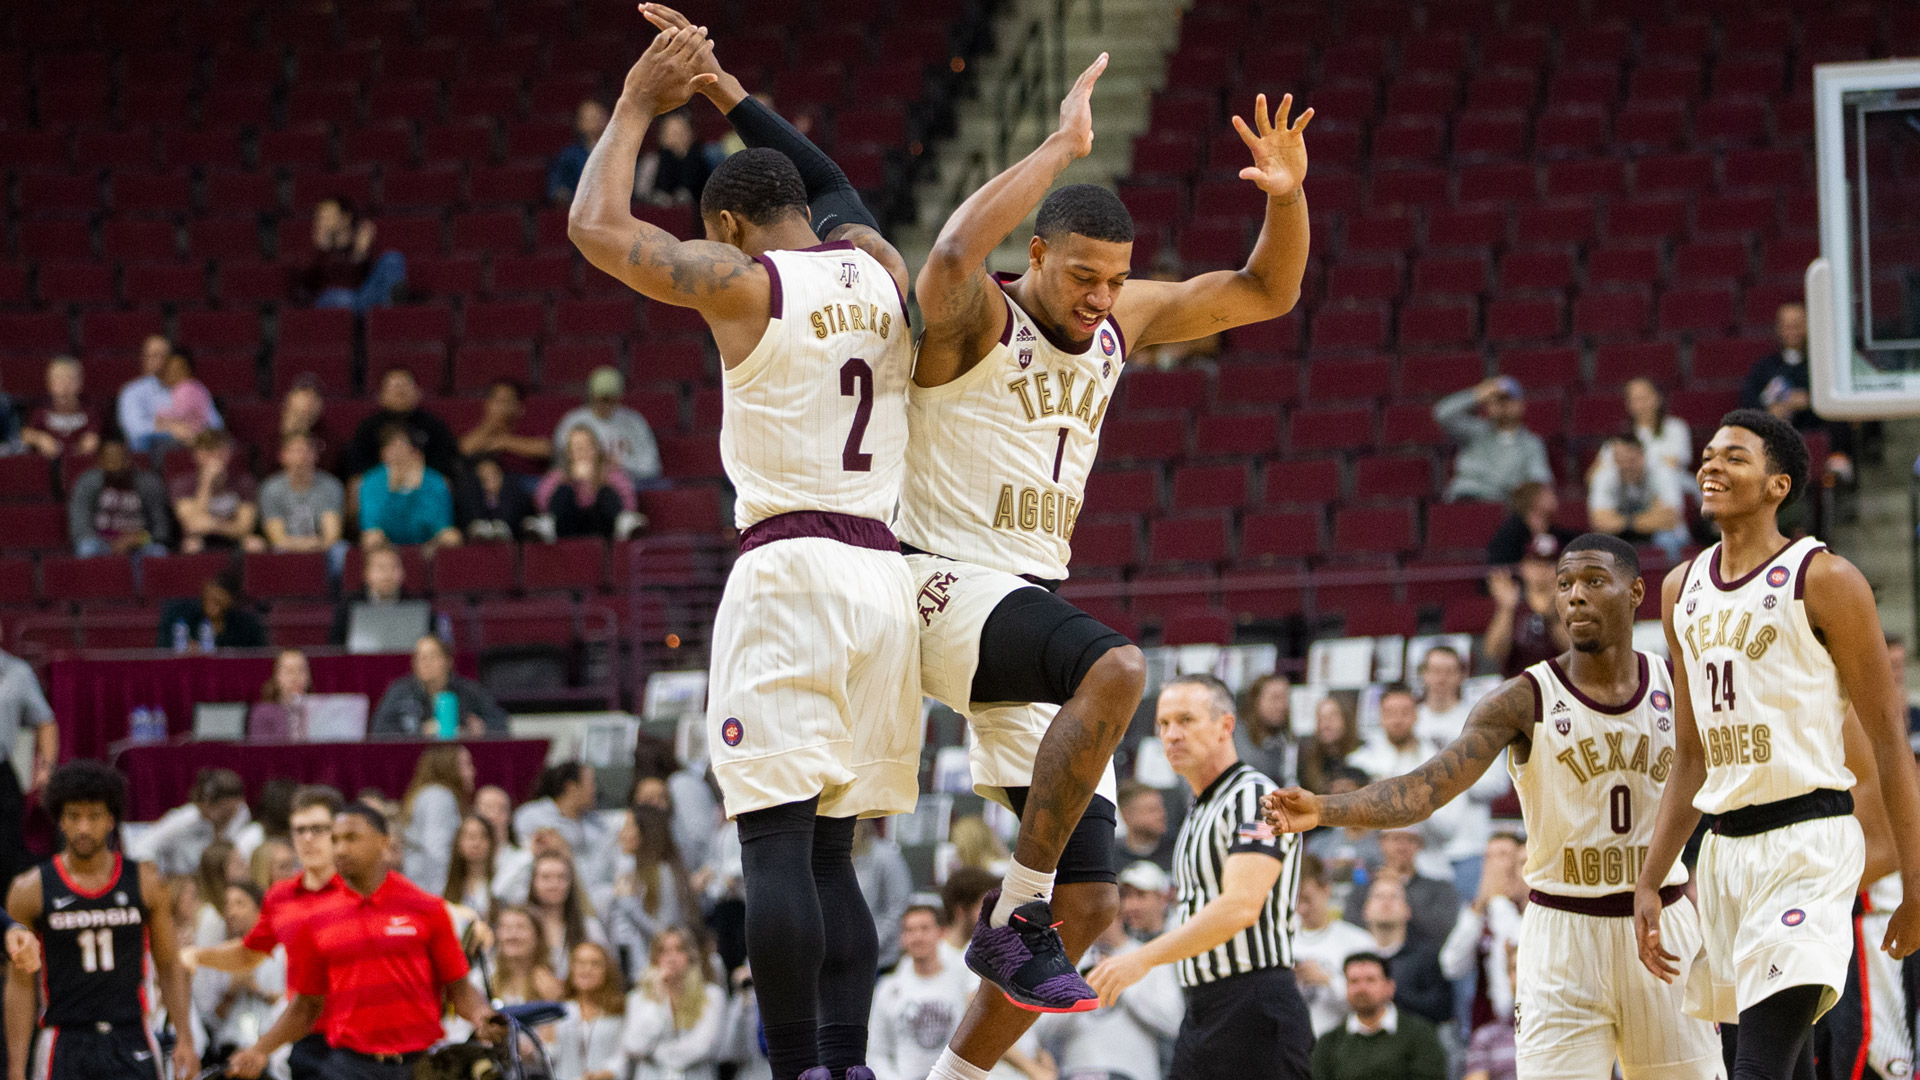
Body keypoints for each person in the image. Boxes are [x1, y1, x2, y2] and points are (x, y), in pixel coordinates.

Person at [904, 39, 1307, 1036]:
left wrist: (1286, 198)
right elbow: (952, 253)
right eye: (1082, 274)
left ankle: (957, 1068)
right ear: (1036, 254)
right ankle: (1007, 916)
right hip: (935, 581)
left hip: (1020, 609)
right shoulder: (976, 319)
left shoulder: (1122, 321)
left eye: (1115, 278)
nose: (1100, 294)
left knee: (1085, 905)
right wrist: (1058, 147)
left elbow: (1265, 292)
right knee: (1122, 668)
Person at [569, 19, 921, 1080]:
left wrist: (640, 101)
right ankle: (848, 1063)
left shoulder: (742, 282)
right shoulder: (878, 266)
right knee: (833, 852)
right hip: (883, 577)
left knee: (772, 841)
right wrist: (723, 88)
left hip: (790, 568)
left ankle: (796, 1067)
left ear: (726, 222)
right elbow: (838, 179)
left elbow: (595, 225)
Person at [1265, 533, 1727, 1078]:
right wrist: (1325, 808)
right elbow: (1426, 788)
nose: (1575, 596)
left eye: (1594, 582)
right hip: (1562, 929)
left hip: (1660, 918)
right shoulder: (1523, 698)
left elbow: (1718, 780)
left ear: (1635, 593)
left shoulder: (1680, 687)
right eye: (1565, 585)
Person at [1634, 410, 1920, 1080]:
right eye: (1706, 453)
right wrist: (1653, 876)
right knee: (1777, 1065)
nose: (1710, 465)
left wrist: (1916, 879)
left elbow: (1888, 742)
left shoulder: (1825, 578)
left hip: (1808, 847)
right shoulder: (1681, 590)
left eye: (1734, 456)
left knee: (1757, 1070)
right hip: (1725, 857)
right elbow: (1690, 759)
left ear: (1777, 485)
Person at [1084, 675, 1308, 1080]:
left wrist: (1142, 958)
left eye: (1185, 720)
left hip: (1254, 1004)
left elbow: (1240, 906)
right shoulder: (1199, 810)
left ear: (1225, 725)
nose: (1172, 735)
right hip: (1204, 1006)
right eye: (1164, 724)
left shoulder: (1254, 797)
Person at [223, 802, 505, 1080]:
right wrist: (260, 1050)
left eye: (352, 838)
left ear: (384, 843)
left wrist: (482, 1017)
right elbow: (307, 1005)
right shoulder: (317, 918)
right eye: (335, 840)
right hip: (347, 1065)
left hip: (420, 1065)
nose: (341, 849)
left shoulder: (426, 908)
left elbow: (460, 988)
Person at [5, 760, 199, 1080]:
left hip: (131, 1034)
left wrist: (186, 1039)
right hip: (64, 1038)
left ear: (110, 820)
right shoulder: (30, 889)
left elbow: (169, 965)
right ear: (60, 822)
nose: (83, 827)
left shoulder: (145, 881)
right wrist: (15, 1068)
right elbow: (20, 983)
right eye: (73, 816)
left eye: (93, 816)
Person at [181, 785, 347, 1080]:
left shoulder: (363, 891)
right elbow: (249, 953)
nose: (308, 839)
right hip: (306, 1037)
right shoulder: (282, 897)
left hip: (362, 1039)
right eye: (300, 830)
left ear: (340, 831)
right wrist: (197, 955)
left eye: (319, 829)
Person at [1033, 909, 1184, 1080]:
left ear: (1118, 914)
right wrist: (1078, 992)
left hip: (1134, 1073)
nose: (1094, 924)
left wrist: (1121, 981)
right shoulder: (1068, 962)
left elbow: (1173, 1021)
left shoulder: (1147, 956)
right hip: (1078, 1073)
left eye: (1101, 915)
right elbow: (1042, 1030)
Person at [1345, 688, 1454, 878]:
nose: (1397, 720)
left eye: (1405, 712)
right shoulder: (1360, 762)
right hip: (1371, 865)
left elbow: (1448, 829)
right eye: (1390, 713)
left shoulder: (1438, 762)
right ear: (1380, 717)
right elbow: (1348, 825)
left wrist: (1417, 802)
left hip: (1429, 863)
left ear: (1416, 716)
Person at [868, 905, 975, 1080]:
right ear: (902, 938)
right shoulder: (888, 988)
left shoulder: (962, 981)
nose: (917, 936)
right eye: (910, 930)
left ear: (941, 933)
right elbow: (877, 1053)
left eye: (924, 929)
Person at [1305, 953, 1447, 1080]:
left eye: (1370, 980)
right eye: (1354, 981)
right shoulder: (1329, 1042)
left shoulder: (1420, 1034)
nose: (1362, 989)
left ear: (1389, 987)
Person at [1438, 834, 1525, 1030]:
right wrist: (1480, 904)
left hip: (1523, 1023)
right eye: (1489, 857)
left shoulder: (1534, 908)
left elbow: (1511, 957)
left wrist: (1497, 901)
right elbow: (1451, 965)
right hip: (1486, 1026)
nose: (1495, 865)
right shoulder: (1479, 910)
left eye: (1503, 855)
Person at [607, 805, 701, 982]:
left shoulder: (663, 872)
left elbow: (666, 926)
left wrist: (628, 904)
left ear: (646, 832)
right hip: (625, 963)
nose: (624, 833)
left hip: (654, 967)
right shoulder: (626, 865)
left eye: (630, 826)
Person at [191, 881, 281, 1065]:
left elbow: (296, 1006)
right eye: (228, 905)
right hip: (229, 1047)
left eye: (240, 904)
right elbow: (209, 1019)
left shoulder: (280, 951)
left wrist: (257, 989)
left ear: (259, 908)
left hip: (271, 1048)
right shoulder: (219, 956)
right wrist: (231, 993)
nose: (232, 912)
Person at [621, 926, 726, 1080]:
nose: (671, 958)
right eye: (663, 951)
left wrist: (655, 1054)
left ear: (690, 955)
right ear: (655, 957)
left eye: (679, 950)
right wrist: (658, 998)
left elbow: (704, 1046)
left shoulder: (712, 995)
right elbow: (634, 1045)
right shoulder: (638, 998)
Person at [1290, 855, 1375, 1037]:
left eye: (1307, 899)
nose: (1301, 908)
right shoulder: (1281, 940)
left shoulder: (1358, 941)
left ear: (1326, 890)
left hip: (1343, 1043)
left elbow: (1374, 1000)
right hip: (1291, 1042)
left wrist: (1326, 980)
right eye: (1295, 900)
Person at [1351, 877, 1451, 1028]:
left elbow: (1442, 1009)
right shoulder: (1352, 957)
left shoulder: (1427, 957)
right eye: (1379, 896)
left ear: (1407, 910)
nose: (1386, 902)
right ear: (1366, 910)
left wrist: (1391, 993)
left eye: (1394, 897)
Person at [1436, 376, 1551, 503]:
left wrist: (1520, 489)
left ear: (1521, 405)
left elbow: (1540, 480)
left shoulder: (1531, 444)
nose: (1502, 405)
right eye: (1497, 400)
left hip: (1501, 506)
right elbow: (1442, 415)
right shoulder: (1474, 431)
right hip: (1464, 500)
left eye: (1508, 399)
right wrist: (1477, 395)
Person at [370, 635, 510, 737]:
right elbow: (379, 730)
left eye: (433, 656)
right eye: (421, 658)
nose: (426, 663)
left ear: (448, 661)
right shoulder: (399, 691)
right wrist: (419, 732)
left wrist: (481, 729)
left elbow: (501, 724)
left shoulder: (470, 690)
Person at [0, 637, 56, 883]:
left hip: (1, 776)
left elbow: (46, 722)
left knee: (6, 860)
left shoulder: (17, 672)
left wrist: (45, 768)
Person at [292, 197, 407, 314]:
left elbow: (368, 282)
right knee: (337, 295)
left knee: (392, 258)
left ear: (345, 218)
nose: (321, 221)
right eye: (319, 217)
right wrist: (321, 250)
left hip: (362, 299)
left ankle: (393, 313)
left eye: (327, 217)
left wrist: (361, 254)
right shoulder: (315, 250)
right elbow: (304, 284)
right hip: (330, 302)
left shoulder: (362, 243)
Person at [341, 369, 460, 480]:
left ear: (418, 392)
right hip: (380, 482)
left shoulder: (434, 425)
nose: (400, 391)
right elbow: (358, 464)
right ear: (381, 395)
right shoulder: (368, 427)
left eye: (405, 386)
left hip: (423, 481)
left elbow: (445, 461)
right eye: (394, 387)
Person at [550, 367, 662, 485]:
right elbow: (561, 463)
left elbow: (651, 467)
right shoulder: (573, 421)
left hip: (629, 484)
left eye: (611, 398)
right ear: (592, 396)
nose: (606, 403)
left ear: (619, 396)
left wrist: (621, 464)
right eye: (602, 398)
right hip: (582, 484)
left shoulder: (634, 422)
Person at [134, 767, 253, 877]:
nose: (231, 815)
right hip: (183, 880)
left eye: (233, 810)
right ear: (206, 804)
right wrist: (159, 876)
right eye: (224, 811)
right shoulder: (185, 819)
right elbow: (140, 848)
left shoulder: (241, 813)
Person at [357, 423, 459, 550]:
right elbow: (371, 523)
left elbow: (440, 524)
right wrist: (393, 490)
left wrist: (416, 490)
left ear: (415, 451)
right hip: (387, 546)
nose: (398, 452)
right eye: (391, 446)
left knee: (451, 537)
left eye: (403, 445)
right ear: (383, 453)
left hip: (427, 545)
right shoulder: (372, 480)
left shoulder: (433, 480)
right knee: (371, 538)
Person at [119, 334, 224, 455]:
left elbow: (216, 424)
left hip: (194, 449)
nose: (156, 361)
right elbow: (135, 429)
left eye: (161, 355)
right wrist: (172, 429)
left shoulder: (195, 387)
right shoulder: (133, 391)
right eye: (150, 356)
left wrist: (194, 431)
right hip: (152, 454)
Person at [1588, 435, 1689, 560]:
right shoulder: (1604, 476)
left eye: (1631, 460)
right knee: (1600, 542)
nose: (1626, 466)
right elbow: (1599, 521)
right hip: (1624, 532)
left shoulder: (1662, 472)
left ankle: (1672, 578)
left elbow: (1670, 518)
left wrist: (1622, 522)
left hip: (1661, 533)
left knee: (1667, 540)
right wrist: (1641, 521)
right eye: (1620, 460)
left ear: (1642, 456)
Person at [1588, 378, 1695, 496]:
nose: (1640, 404)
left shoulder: (1675, 428)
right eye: (1635, 399)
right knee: (1603, 480)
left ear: (1658, 398)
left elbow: (1675, 463)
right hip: (1628, 492)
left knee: (1665, 476)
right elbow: (1592, 476)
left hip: (1669, 489)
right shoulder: (1621, 434)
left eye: (1644, 398)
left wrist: (1628, 463)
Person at [535, 424, 643, 540]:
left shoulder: (610, 472)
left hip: (602, 526)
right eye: (577, 447)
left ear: (596, 449)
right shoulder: (559, 475)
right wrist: (570, 479)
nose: (582, 451)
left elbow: (629, 500)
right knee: (563, 490)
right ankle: (548, 526)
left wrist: (595, 481)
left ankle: (623, 523)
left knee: (606, 491)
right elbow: (541, 500)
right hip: (566, 526)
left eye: (587, 446)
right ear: (569, 453)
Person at [69, 435, 172, 557]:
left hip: (139, 540)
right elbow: (80, 527)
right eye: (109, 458)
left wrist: (139, 538)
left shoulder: (148, 483)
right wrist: (109, 542)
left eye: (119, 457)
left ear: (128, 458)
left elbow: (161, 527)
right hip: (101, 541)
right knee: (87, 548)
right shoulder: (87, 482)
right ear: (100, 461)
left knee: (158, 552)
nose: (115, 463)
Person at [1485, 536, 1570, 678]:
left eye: (1549, 564)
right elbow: (1494, 652)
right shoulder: (1512, 603)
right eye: (1536, 563)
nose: (1542, 571)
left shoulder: (1571, 605)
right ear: (1523, 567)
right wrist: (1506, 609)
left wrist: (1551, 614)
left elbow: (1575, 653)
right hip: (1517, 690)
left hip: (1559, 690)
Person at [171, 428, 264, 553]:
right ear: (196, 454)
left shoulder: (244, 483)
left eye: (219, 450)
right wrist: (206, 484)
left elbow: (245, 527)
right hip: (201, 540)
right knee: (191, 545)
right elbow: (192, 525)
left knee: (255, 544)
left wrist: (214, 524)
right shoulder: (182, 485)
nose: (214, 456)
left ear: (228, 453)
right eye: (208, 450)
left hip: (233, 539)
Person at [400, 744, 475, 897]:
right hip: (430, 889)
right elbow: (436, 849)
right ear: (448, 766)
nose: (472, 772)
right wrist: (442, 896)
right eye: (465, 764)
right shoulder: (439, 797)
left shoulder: (429, 794)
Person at [259, 431, 346, 562]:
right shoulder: (271, 488)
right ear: (283, 455)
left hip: (320, 547)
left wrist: (314, 545)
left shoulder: (330, 486)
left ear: (315, 455)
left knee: (340, 550)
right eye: (295, 451)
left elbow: (332, 535)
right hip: (286, 547)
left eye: (307, 451)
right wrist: (303, 545)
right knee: (273, 550)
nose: (301, 457)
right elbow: (276, 537)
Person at [550, 940, 630, 1080]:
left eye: (595, 964)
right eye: (580, 963)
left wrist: (607, 1073)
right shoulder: (560, 1010)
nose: (587, 969)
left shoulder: (619, 1009)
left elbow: (626, 1054)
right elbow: (549, 1053)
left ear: (607, 970)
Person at [530, 852, 610, 980]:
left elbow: (606, 971)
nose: (554, 884)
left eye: (561, 877)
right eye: (546, 877)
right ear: (533, 882)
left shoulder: (589, 927)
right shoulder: (522, 927)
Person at [1740, 303, 1815, 430]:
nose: (1792, 331)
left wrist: (1810, 401)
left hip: (1811, 434)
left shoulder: (1817, 368)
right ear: (1778, 328)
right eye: (1786, 325)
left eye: (1797, 324)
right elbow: (1747, 403)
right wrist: (1769, 412)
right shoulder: (1764, 367)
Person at [852, 819, 914, 974]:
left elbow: (899, 906)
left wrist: (872, 944)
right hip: (847, 957)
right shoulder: (838, 858)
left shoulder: (885, 856)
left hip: (882, 961)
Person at [459, 379, 552, 477]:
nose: (501, 406)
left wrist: (504, 442)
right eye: (496, 400)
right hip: (487, 484)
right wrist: (490, 424)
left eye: (507, 401)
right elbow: (463, 450)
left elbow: (546, 449)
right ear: (487, 404)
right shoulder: (480, 430)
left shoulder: (529, 425)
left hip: (526, 482)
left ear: (520, 407)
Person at [157, 573, 268, 651]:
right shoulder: (184, 617)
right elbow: (164, 648)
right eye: (208, 599)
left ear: (232, 601)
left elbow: (257, 656)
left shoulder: (247, 625)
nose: (212, 605)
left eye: (218, 601)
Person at [329, 544, 413, 646]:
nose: (387, 574)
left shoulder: (415, 605)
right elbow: (335, 647)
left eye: (393, 567)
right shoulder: (349, 606)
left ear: (403, 573)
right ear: (367, 573)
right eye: (381, 568)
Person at [19, 355, 98, 459]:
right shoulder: (40, 411)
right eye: (59, 380)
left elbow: (96, 438)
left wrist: (92, 441)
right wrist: (39, 438)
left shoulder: (90, 411)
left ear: (80, 383)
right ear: (49, 384)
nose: (65, 386)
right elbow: (25, 434)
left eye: (71, 380)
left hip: (80, 466)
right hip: (47, 467)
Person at [488, 905, 568, 1004]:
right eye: (506, 928)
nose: (512, 935)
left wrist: (555, 1001)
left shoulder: (556, 976)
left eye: (520, 927)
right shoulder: (485, 977)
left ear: (538, 936)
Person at [634, 109, 712, 206]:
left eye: (682, 133)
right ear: (661, 137)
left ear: (692, 135)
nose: (677, 139)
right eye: (672, 134)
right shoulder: (651, 162)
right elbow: (641, 196)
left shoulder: (702, 161)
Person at [456, 452, 538, 541]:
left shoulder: (515, 495)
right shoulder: (468, 499)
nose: (490, 484)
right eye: (484, 479)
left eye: (494, 477)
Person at [1485, 481, 1568, 567]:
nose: (1554, 497)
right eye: (1548, 494)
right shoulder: (1510, 533)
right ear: (1534, 499)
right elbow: (1499, 567)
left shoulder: (1558, 533)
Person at [152, 346, 218, 448]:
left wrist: (162, 415)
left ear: (188, 370)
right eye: (170, 369)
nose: (174, 373)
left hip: (200, 435)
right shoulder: (185, 388)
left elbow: (181, 412)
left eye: (178, 369)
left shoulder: (186, 388)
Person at [549, 99, 612, 204]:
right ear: (580, 123)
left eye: (597, 116)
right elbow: (557, 187)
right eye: (589, 117)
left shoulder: (619, 152)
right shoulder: (569, 155)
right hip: (580, 210)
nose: (594, 121)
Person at [1237, 673, 1293, 787]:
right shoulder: (1235, 736)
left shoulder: (1285, 742)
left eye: (1285, 698)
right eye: (1275, 698)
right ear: (1256, 700)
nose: (1282, 706)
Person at [1297, 696, 1360, 795]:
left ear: (1346, 719)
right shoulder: (1308, 763)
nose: (1326, 724)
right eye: (1321, 718)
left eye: (1332, 716)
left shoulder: (1363, 755)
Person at [1115, 781, 1176, 871]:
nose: (1161, 815)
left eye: (1161, 808)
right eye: (1151, 810)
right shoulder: (1111, 857)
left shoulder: (1176, 850)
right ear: (1126, 816)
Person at [443, 814, 497, 914]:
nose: (476, 843)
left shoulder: (501, 881)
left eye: (482, 836)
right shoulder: (446, 882)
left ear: (492, 842)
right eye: (470, 837)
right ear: (458, 842)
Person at [278, 374, 333, 472]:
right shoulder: (273, 434)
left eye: (315, 396)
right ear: (291, 398)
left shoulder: (329, 438)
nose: (309, 400)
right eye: (304, 394)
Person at [1117, 859, 1172, 939]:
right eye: (1126, 895)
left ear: (1162, 898)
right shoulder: (1114, 946)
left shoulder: (1182, 932)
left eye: (1141, 895)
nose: (1131, 906)